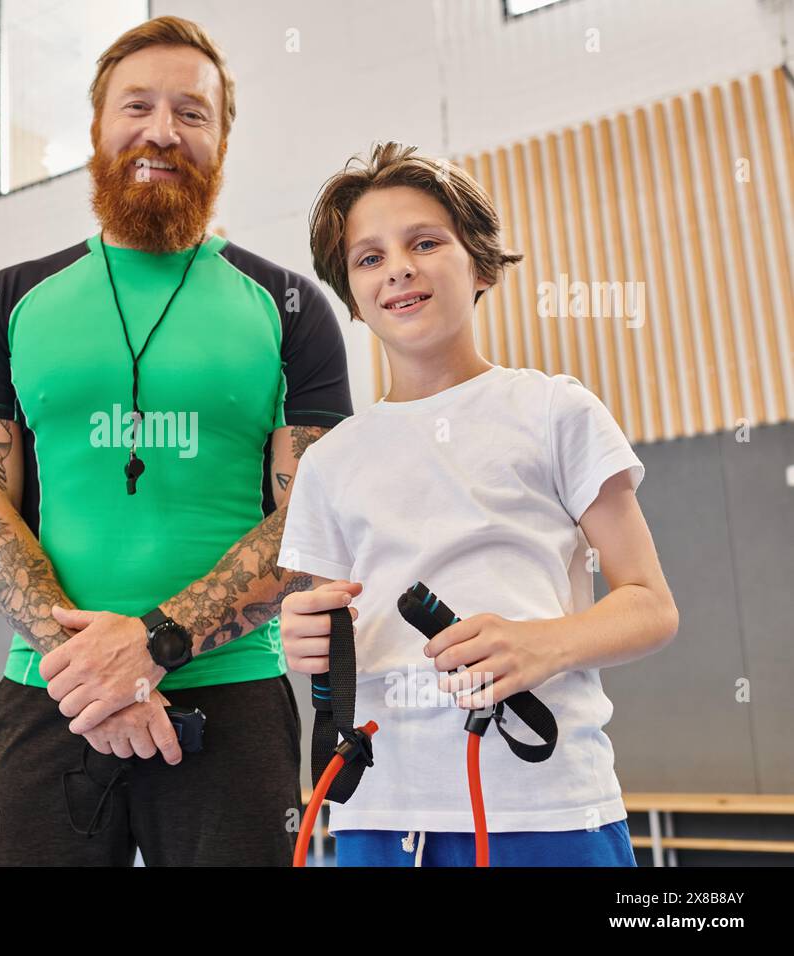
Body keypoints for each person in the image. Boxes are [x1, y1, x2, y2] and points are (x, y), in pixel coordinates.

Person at [0, 16, 352, 866]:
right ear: (96, 128)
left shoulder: (289, 308)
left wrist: (156, 645)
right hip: (49, 699)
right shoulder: (11, 300)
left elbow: (317, 516)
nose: (162, 130)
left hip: (232, 706)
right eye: (137, 106)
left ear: (222, 140)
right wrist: (95, 673)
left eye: (191, 112)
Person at [278, 141, 678, 866]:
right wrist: (303, 639)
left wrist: (541, 645)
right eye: (369, 257)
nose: (398, 265)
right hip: (380, 815)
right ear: (355, 298)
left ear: (482, 265)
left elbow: (651, 605)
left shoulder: (555, 411)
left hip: (549, 810)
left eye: (424, 242)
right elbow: (324, 627)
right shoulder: (329, 462)